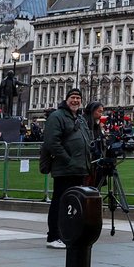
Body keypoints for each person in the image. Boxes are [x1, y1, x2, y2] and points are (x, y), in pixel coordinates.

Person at [42, 88, 91, 249]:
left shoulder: (80, 118)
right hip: (65, 168)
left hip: (79, 168)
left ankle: (67, 234)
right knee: (59, 202)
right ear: (67, 99)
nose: (75, 101)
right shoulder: (57, 116)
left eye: (78, 98)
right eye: (73, 98)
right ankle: (53, 236)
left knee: (74, 203)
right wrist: (67, 159)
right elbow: (52, 142)